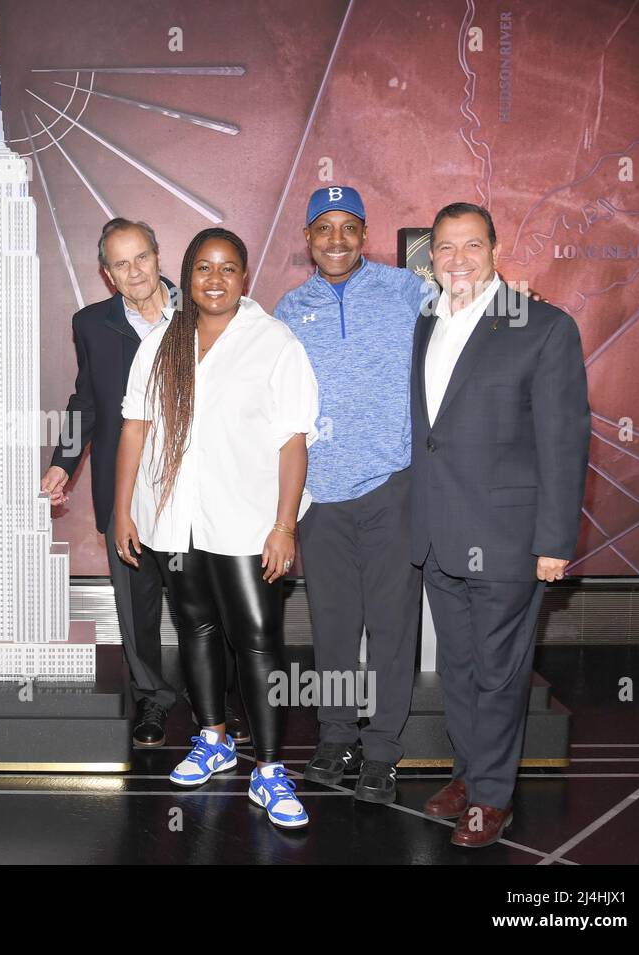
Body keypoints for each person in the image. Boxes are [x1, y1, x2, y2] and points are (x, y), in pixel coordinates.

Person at [114, 228, 319, 828]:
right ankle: (213, 738)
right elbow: (135, 429)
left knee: (258, 639)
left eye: (228, 268)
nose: (215, 279)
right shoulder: (160, 342)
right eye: (203, 267)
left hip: (248, 522)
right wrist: (125, 509)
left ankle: (271, 769)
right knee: (196, 627)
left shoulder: (275, 342)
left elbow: (292, 441)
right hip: (174, 520)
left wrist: (284, 525)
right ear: (187, 273)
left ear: (244, 276)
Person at [411, 202, 589, 847]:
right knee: (459, 667)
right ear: (431, 255)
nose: (458, 259)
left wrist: (552, 543)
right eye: (446, 248)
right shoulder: (425, 321)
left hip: (511, 539)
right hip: (437, 533)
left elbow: (565, 443)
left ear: (495, 250)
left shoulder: (543, 326)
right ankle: (467, 774)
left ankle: (491, 798)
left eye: (471, 246)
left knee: (499, 670)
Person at [42, 218, 246, 748]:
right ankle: (152, 701)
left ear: (159, 256)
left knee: (205, 602)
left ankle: (215, 705)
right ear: (107, 275)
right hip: (126, 491)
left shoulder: (206, 309)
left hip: (198, 487)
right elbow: (85, 399)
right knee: (136, 604)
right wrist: (63, 460)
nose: (134, 271)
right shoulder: (91, 324)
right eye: (120, 263)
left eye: (141, 258)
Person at [274, 186, 430, 804]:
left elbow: (473, 330)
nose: (335, 240)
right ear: (308, 238)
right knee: (334, 626)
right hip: (321, 494)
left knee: (393, 625)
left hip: (392, 483)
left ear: (365, 234)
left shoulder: (409, 292)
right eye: (323, 229)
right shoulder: (290, 309)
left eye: (348, 227)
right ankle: (336, 736)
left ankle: (384, 749)